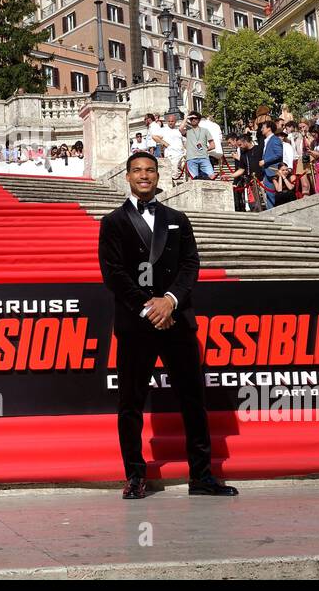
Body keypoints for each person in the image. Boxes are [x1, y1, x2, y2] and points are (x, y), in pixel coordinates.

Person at [97, 150, 238, 500]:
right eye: (137, 171)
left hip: (177, 319)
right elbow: (113, 274)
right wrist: (148, 308)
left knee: (193, 399)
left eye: (150, 170)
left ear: (158, 176)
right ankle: (134, 476)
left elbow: (191, 264)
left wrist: (170, 301)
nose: (144, 176)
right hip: (136, 323)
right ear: (127, 177)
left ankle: (202, 477)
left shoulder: (178, 218)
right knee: (131, 403)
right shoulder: (112, 222)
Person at [258, 121, 283, 208]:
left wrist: (265, 161)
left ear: (269, 128)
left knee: (272, 195)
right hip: (267, 171)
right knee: (269, 195)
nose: (261, 130)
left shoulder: (275, 139)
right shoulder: (266, 140)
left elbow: (278, 154)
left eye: (263, 127)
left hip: (273, 171)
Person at [183, 112, 215, 179]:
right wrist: (186, 117)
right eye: (191, 118)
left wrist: (205, 149)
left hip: (203, 157)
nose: (193, 120)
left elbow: (212, 145)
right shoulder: (188, 131)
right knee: (195, 179)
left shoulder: (205, 130)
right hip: (191, 158)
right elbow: (180, 129)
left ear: (199, 120)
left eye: (195, 118)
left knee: (211, 176)